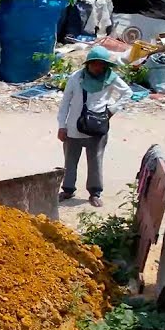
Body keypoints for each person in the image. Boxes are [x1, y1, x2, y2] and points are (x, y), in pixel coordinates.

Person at [55, 45, 132, 208]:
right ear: (88, 64)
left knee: (96, 161)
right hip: (74, 128)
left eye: (101, 64)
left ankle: (95, 193)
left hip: (98, 128)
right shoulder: (76, 78)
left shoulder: (111, 78)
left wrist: (112, 109)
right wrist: (62, 126)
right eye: (95, 63)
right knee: (70, 161)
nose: (98, 67)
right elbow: (65, 103)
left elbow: (127, 93)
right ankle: (68, 190)